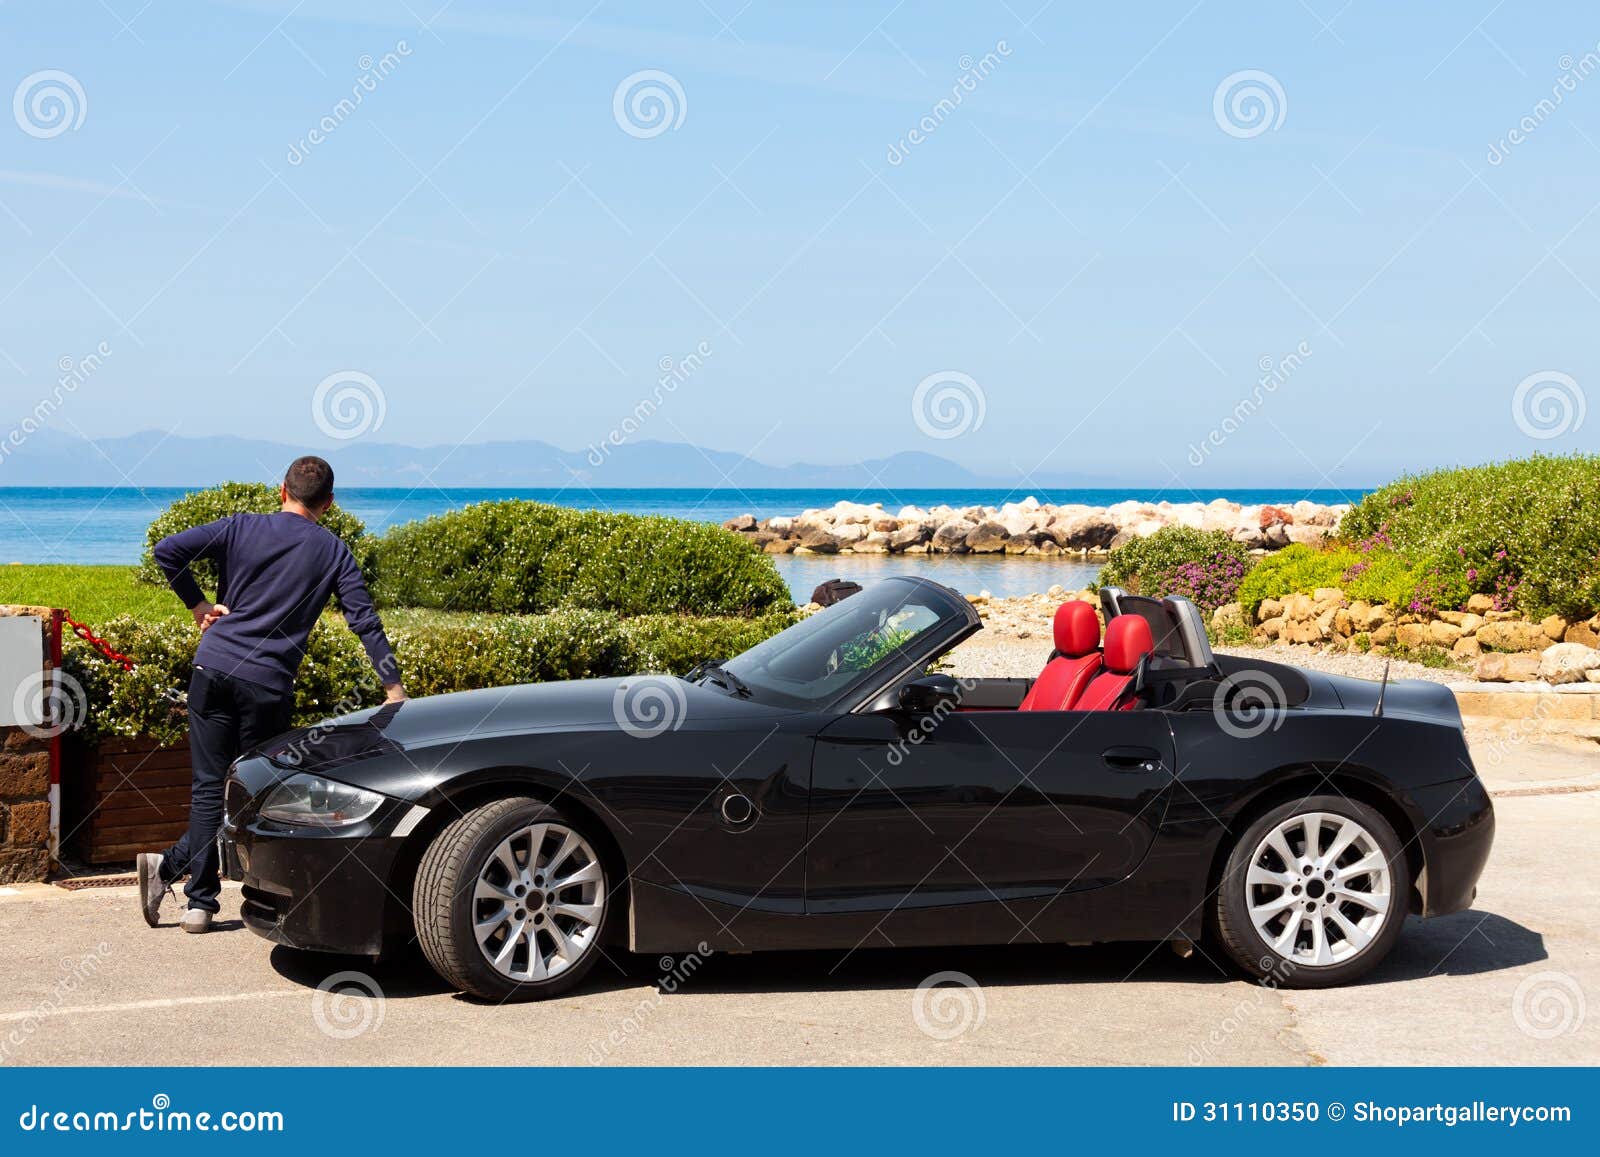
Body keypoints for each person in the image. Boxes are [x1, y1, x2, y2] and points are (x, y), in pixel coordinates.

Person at [136, 456, 405, 933]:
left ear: (281, 490)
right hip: (267, 682)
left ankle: (195, 900)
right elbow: (364, 620)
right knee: (256, 792)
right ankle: (214, 883)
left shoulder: (240, 526)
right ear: (329, 503)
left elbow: (167, 551)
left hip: (212, 666)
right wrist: (392, 687)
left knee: (208, 787)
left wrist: (196, 603)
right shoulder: (334, 552)